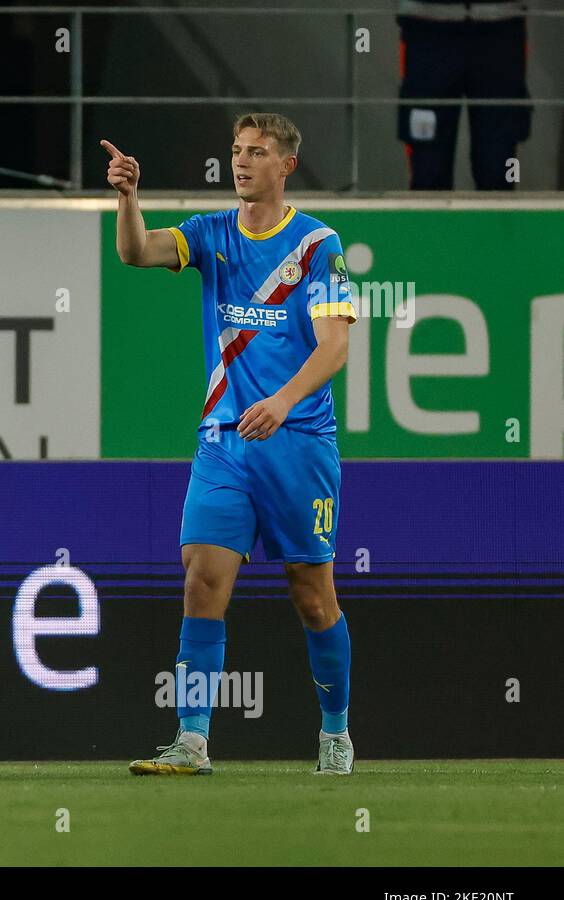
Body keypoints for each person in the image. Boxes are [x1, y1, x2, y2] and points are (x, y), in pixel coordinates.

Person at [103, 113, 357, 776]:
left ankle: (335, 732)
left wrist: (282, 401)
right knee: (202, 578)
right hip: (223, 440)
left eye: (257, 153)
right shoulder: (212, 233)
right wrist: (128, 200)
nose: (241, 163)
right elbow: (135, 253)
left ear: (286, 166)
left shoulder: (317, 247)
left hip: (298, 442)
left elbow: (336, 347)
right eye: (237, 151)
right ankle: (192, 739)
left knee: (312, 592)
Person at [397, 0, 531, 190]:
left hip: (502, 28)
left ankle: (499, 219)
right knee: (428, 170)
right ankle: (430, 219)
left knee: (498, 166)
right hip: (426, 27)